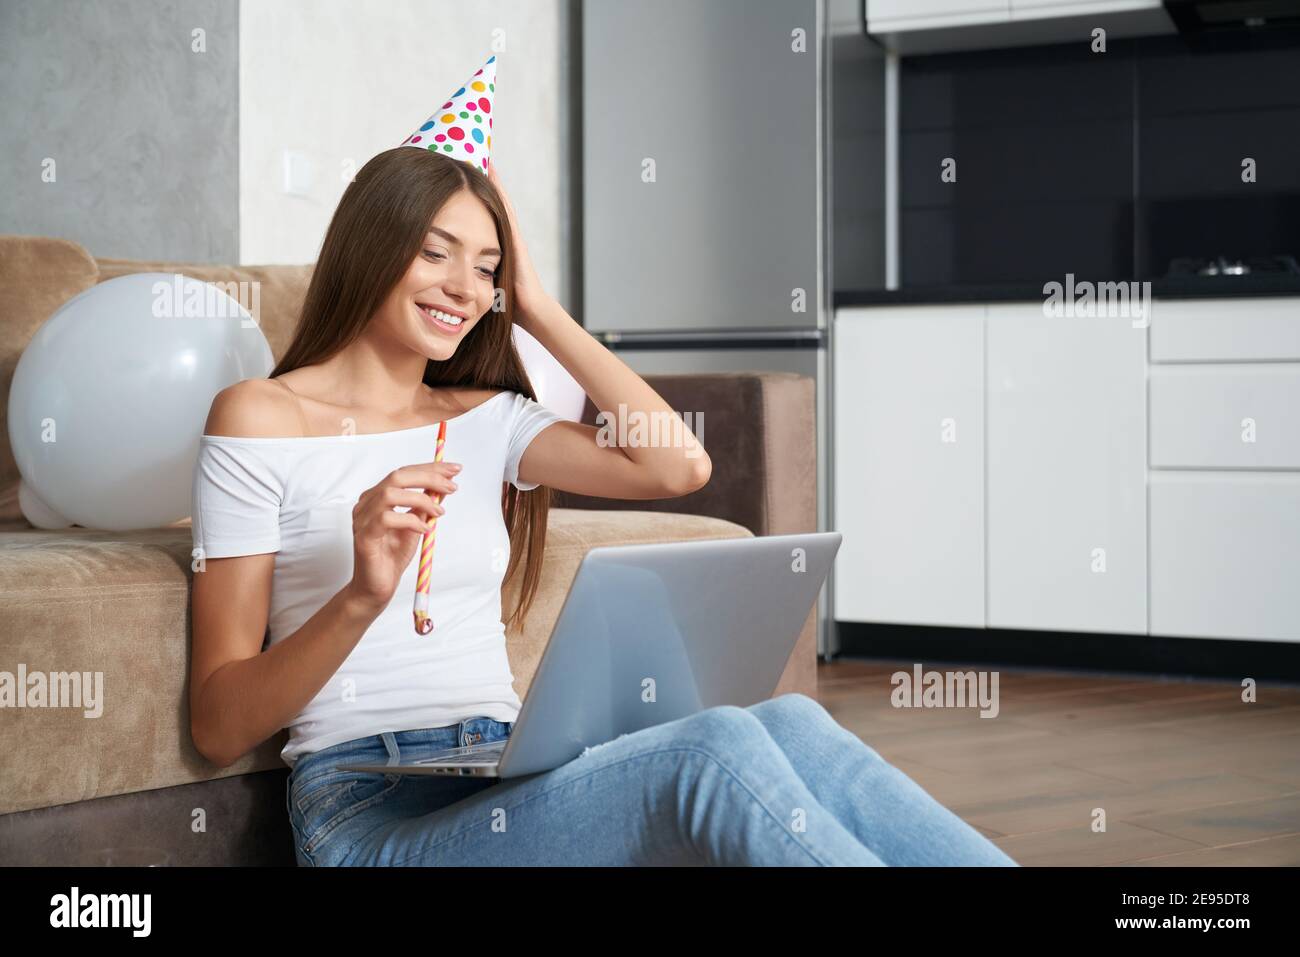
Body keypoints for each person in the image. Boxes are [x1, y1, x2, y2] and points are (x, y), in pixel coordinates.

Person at [189, 147, 1018, 867]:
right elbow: (220, 723)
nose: (462, 286)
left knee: (793, 722)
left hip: (501, 769)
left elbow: (676, 465)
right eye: (435, 252)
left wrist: (539, 307)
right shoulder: (258, 415)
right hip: (368, 814)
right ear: (370, 248)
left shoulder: (487, 417)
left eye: (486, 267)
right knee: (713, 748)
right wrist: (361, 596)